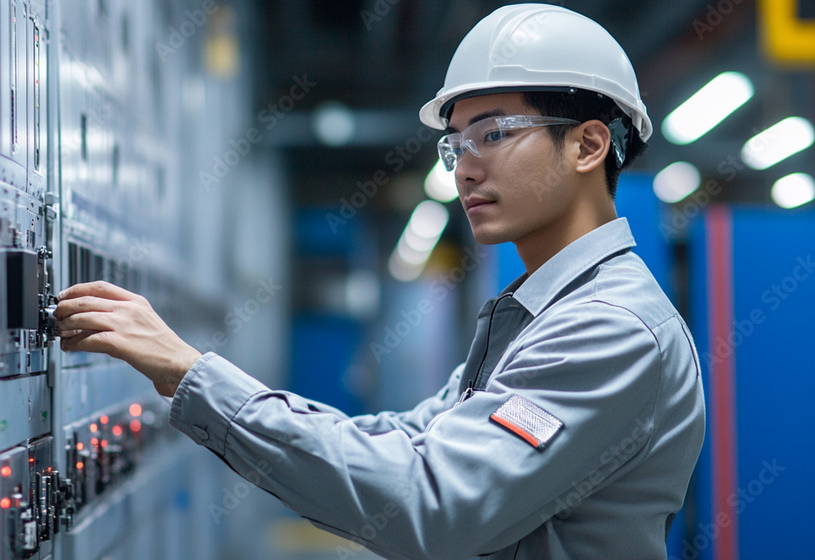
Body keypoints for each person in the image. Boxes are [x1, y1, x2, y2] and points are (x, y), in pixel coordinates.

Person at [54, 4, 706, 559]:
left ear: (589, 146)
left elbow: (434, 504)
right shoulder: (537, 316)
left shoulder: (608, 329)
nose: (465, 170)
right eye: (455, 146)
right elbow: (401, 443)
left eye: (495, 134)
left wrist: (191, 375)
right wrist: (199, 379)